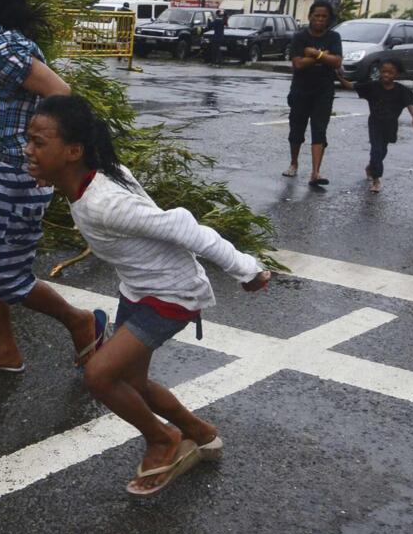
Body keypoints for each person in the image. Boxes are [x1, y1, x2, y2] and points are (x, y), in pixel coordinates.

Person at [24, 94, 272, 495]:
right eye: (29, 140)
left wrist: (248, 269)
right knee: (131, 383)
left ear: (73, 152)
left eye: (38, 142)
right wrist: (49, 177)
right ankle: (200, 433)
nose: (28, 149)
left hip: (172, 295)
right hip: (139, 290)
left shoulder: (105, 203)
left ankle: (163, 439)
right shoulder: (91, 179)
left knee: (100, 375)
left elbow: (183, 227)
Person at [0, 0, 106, 373]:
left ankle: (80, 322)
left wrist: (46, 159)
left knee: (4, 276)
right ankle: (6, 350)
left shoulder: (5, 47)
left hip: (16, 178)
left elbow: (61, 93)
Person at [337, 60, 413, 193]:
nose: (386, 75)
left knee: (382, 150)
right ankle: (376, 180)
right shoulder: (373, 86)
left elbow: (409, 103)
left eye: (390, 72)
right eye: (384, 72)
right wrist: (339, 77)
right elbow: (352, 86)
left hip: (390, 125)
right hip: (375, 123)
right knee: (376, 150)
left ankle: (371, 166)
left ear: (397, 74)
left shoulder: (401, 90)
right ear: (380, 72)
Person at [284, 2, 343, 187]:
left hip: (324, 91)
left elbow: (337, 62)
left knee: (319, 130)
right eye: (317, 15)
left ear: (329, 19)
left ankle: (315, 172)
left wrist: (314, 54)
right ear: (310, 16)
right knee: (296, 128)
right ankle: (294, 163)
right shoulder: (300, 37)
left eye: (324, 16)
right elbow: (298, 64)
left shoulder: (333, 37)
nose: (320, 19)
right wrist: (323, 56)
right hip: (301, 89)